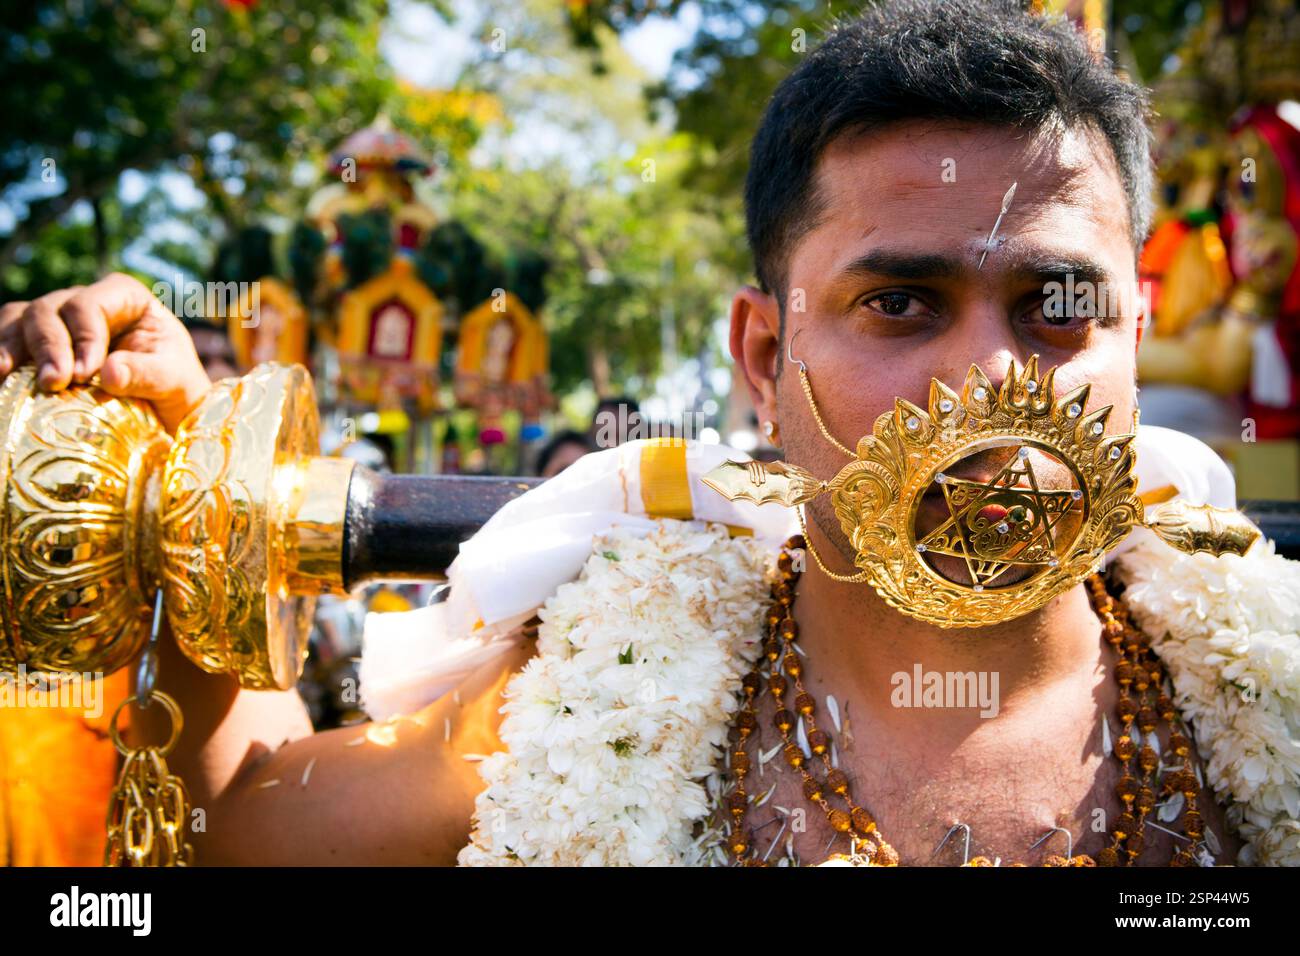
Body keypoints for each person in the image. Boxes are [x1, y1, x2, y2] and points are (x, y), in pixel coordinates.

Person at [1, 0, 1295, 866]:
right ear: (763, 355)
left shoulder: (1261, 690)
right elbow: (236, 825)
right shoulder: (600, 682)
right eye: (900, 303)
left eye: (1060, 307)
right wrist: (185, 468)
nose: (986, 381)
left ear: (1139, 333)